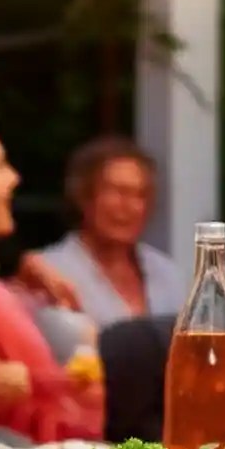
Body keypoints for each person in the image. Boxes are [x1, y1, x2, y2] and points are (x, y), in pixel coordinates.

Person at [0, 128, 103, 442]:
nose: (14, 178)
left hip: (78, 436)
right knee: (158, 343)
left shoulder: (10, 281)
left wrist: (22, 268)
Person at [39, 136, 184, 328]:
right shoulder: (49, 271)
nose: (129, 206)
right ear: (84, 197)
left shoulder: (168, 273)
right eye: (118, 192)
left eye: (140, 195)